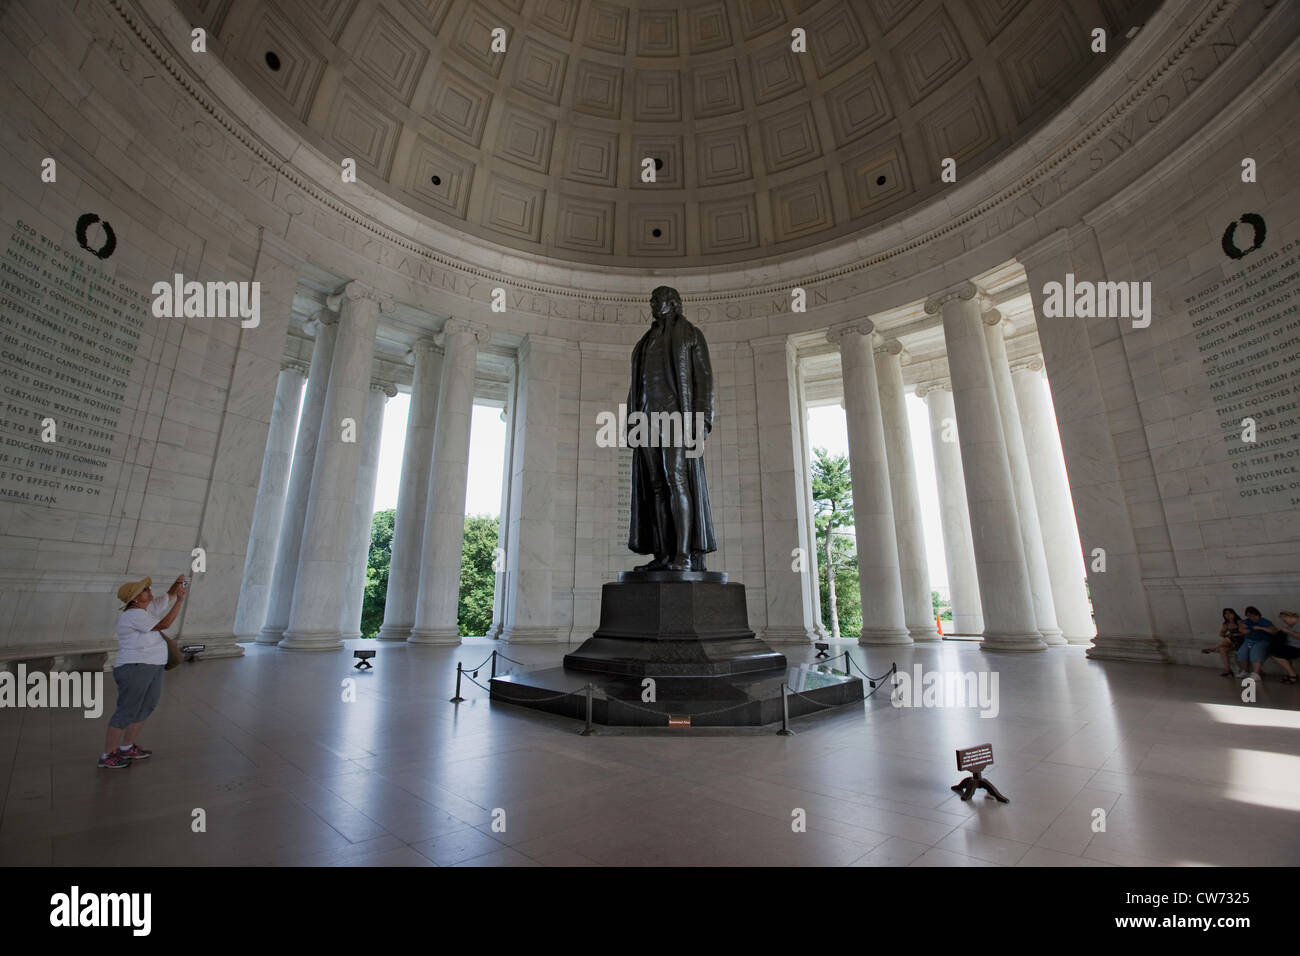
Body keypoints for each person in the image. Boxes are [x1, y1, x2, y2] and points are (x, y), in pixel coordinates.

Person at [99, 574, 187, 769]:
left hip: (153, 666)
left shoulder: (147, 608)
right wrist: (180, 601)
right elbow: (165, 624)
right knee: (127, 710)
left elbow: (169, 595)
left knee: (147, 705)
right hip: (135, 667)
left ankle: (126, 747)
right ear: (136, 598)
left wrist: (178, 583)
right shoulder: (133, 615)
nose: (149, 590)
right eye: (145, 590)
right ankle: (108, 755)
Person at [1236, 606, 1279, 682]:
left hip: (1262, 640)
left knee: (1255, 652)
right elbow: (1242, 629)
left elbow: (1275, 631)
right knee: (1242, 653)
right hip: (1249, 640)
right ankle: (1245, 672)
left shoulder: (1264, 621)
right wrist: (1243, 629)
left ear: (1257, 614)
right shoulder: (1247, 621)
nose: (1252, 618)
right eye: (1249, 616)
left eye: (1253, 615)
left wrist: (1261, 628)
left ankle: (1256, 674)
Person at [1201, 607, 1246, 677]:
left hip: (1241, 641)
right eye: (1226, 614)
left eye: (1230, 613)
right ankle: (1228, 670)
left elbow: (1244, 633)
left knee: (1228, 639)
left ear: (1234, 614)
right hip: (1231, 642)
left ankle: (1212, 648)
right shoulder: (1226, 624)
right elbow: (1221, 634)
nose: (1228, 615)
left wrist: (1234, 634)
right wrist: (1225, 632)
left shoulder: (1239, 621)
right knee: (1222, 649)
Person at [1269, 610, 1300, 684]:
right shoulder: (1289, 626)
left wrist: (1288, 632)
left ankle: (1292, 674)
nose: (1285, 622)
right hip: (1291, 647)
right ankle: (1289, 674)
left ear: (1290, 617)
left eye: (1285, 620)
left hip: (1297, 648)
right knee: (1273, 650)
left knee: (1275, 653)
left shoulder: (1298, 625)